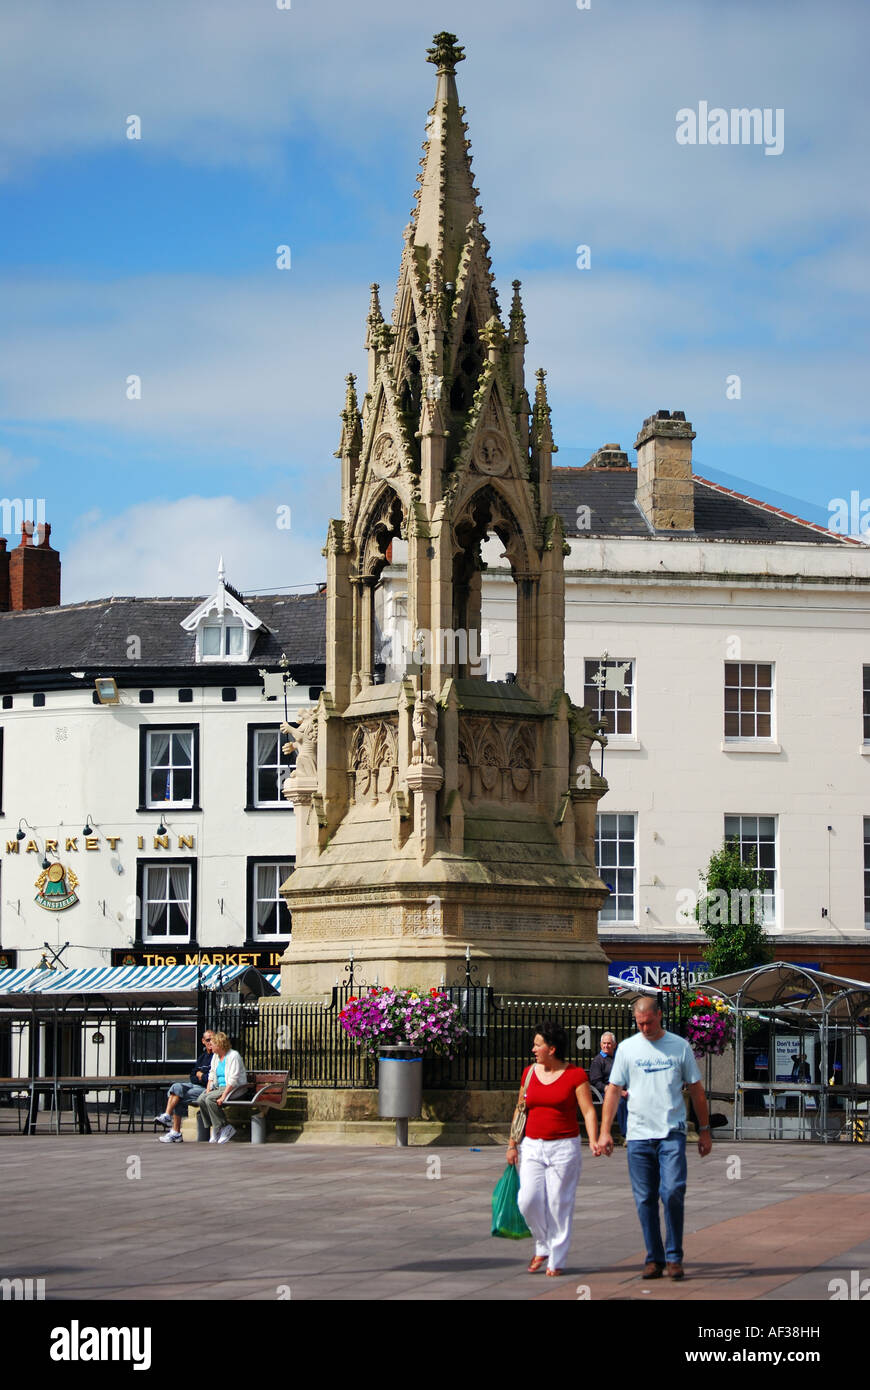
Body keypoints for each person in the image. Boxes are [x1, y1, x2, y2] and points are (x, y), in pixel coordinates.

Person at [598, 995, 712, 1281]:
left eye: (649, 1022)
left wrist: (705, 1129)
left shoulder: (679, 1046)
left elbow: (697, 1089)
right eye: (640, 1024)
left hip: (671, 1132)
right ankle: (654, 1257)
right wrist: (604, 1131)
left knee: (673, 1191)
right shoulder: (627, 1048)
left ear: (659, 1016)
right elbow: (613, 1090)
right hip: (637, 1135)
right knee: (645, 1198)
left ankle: (674, 1256)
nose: (645, 1029)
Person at [506, 1020, 601, 1277]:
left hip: (563, 1147)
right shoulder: (529, 1073)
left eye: (538, 1044)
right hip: (533, 1145)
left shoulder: (575, 1075)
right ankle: (542, 1243)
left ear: (552, 1048)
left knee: (559, 1202)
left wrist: (593, 1138)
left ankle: (556, 1258)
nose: (533, 1049)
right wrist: (512, 1143)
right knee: (527, 1200)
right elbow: (520, 1109)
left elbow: (588, 1110)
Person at [153, 1030, 214, 1143]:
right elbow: (192, 1076)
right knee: (176, 1087)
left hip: (206, 1088)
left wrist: (201, 1076)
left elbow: (211, 1079)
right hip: (195, 1085)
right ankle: (167, 1115)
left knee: (178, 1097)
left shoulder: (216, 1057)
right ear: (203, 1041)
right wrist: (200, 1076)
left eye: (213, 1039)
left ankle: (175, 1131)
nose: (211, 1042)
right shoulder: (202, 1057)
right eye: (208, 1040)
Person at [197, 1031, 249, 1144]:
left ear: (220, 1045)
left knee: (209, 1099)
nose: (210, 1045)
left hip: (233, 1088)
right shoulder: (215, 1056)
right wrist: (208, 1089)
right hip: (218, 1087)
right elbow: (211, 1074)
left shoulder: (233, 1056)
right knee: (201, 1099)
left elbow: (233, 1080)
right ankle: (217, 1127)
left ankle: (225, 1127)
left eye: (213, 1043)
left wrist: (223, 1097)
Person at [587, 1031, 629, 1140]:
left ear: (614, 1045)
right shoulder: (598, 1061)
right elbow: (596, 1082)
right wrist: (616, 1091)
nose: (606, 1046)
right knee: (620, 1102)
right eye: (604, 1043)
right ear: (601, 1044)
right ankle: (627, 1135)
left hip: (623, 1089)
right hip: (606, 1091)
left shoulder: (619, 1058)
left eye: (609, 1043)